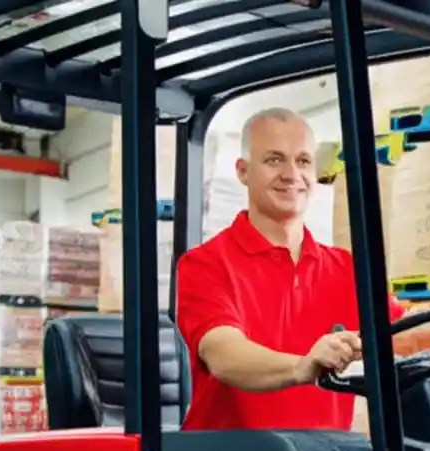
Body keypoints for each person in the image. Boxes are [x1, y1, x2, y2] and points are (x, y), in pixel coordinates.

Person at [175, 107, 408, 432]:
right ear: (243, 171)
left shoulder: (346, 268)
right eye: (274, 160)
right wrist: (303, 366)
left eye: (303, 161)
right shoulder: (205, 264)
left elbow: (404, 333)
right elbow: (224, 355)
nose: (291, 174)